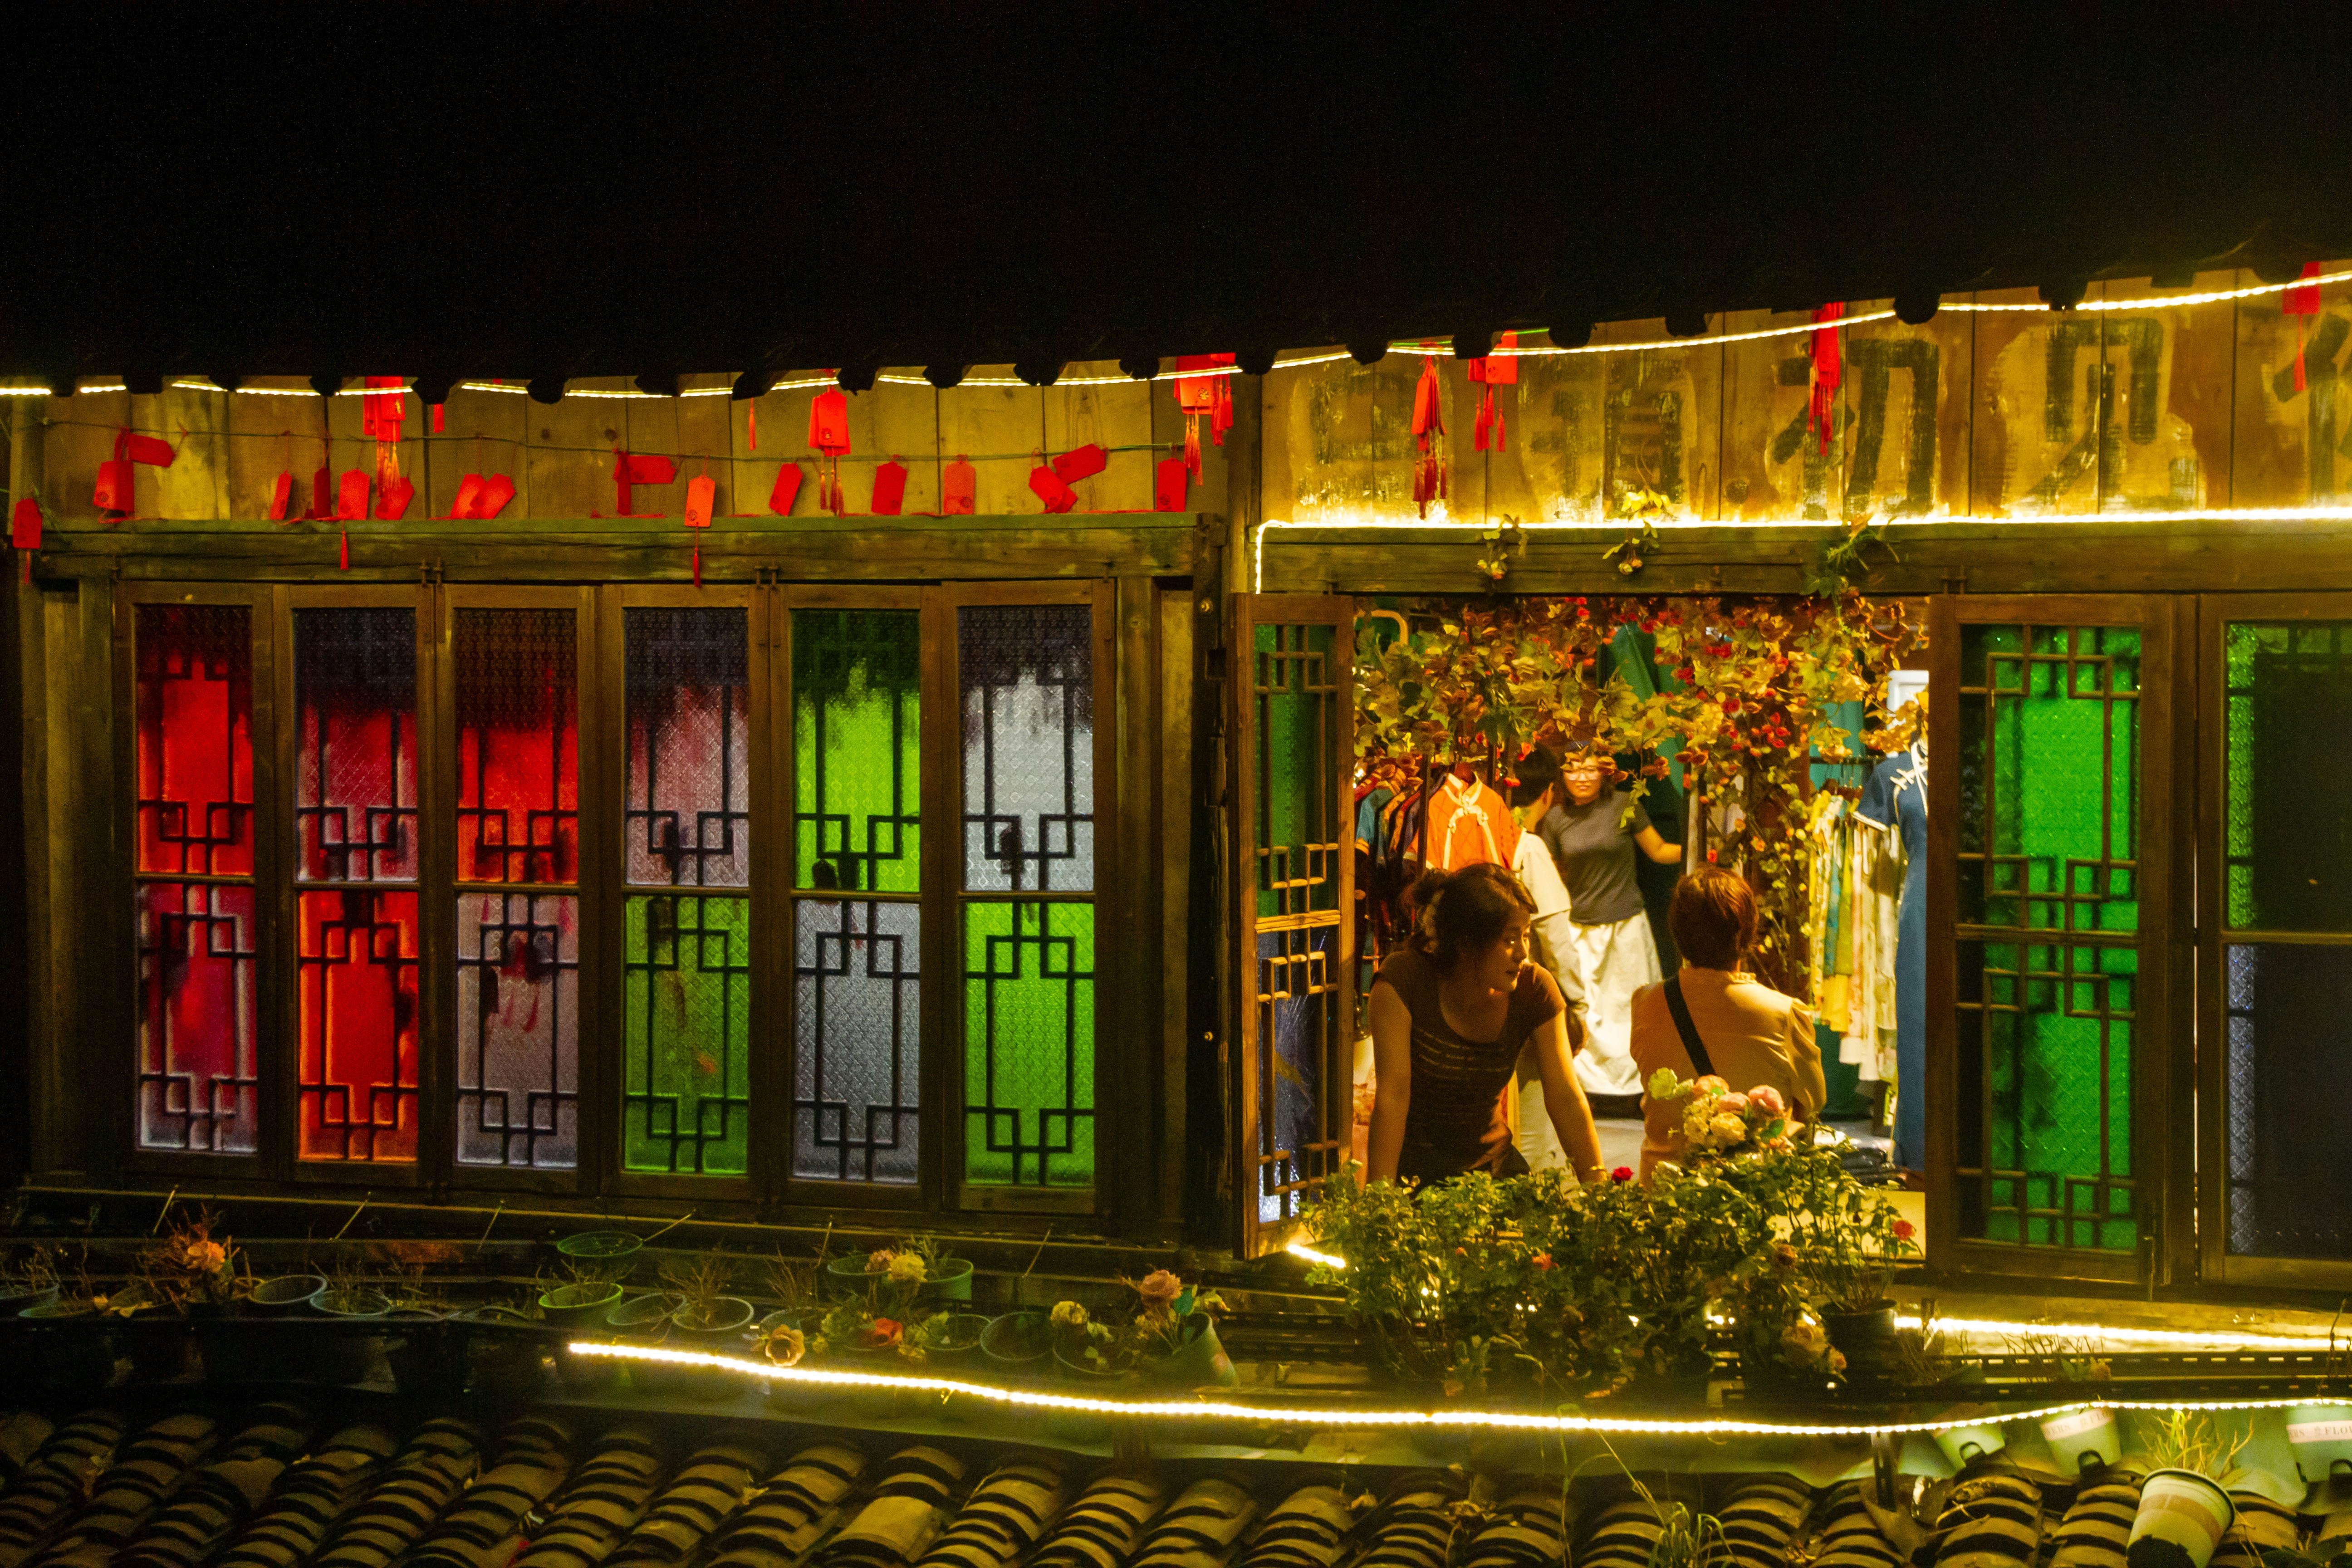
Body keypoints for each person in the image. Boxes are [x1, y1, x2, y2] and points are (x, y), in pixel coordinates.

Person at [1365, 863, 1605, 1186]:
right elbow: (1393, 1097)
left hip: (1495, 1174)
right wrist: (1379, 1203)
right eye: (1510, 940)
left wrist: (1600, 1191)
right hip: (1416, 1178)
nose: (1523, 952)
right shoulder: (1404, 981)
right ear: (1466, 943)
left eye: (1526, 936)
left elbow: (1566, 1098)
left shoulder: (1534, 988)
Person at [1628, 867, 1826, 1178]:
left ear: (1677, 931)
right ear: (1746, 932)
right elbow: (1813, 1100)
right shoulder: (1784, 1013)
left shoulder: (1645, 1003)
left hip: (1663, 1187)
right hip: (1753, 1192)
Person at [1543, 752, 1684, 1106]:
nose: (1581, 777)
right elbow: (1542, 870)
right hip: (1580, 931)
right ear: (1561, 776)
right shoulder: (1555, 819)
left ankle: (1641, 1095)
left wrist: (1706, 848)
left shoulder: (1626, 804)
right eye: (1572, 769)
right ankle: (1586, 1095)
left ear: (1605, 774)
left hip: (1627, 930)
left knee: (1633, 1013)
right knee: (1586, 1015)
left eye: (1590, 769)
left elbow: (1659, 850)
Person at [1503, 747, 1590, 1171]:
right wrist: (1576, 1005)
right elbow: (1555, 939)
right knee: (1533, 1117)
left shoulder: (1489, 835)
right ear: (1550, 793)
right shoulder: (1529, 847)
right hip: (1526, 1000)